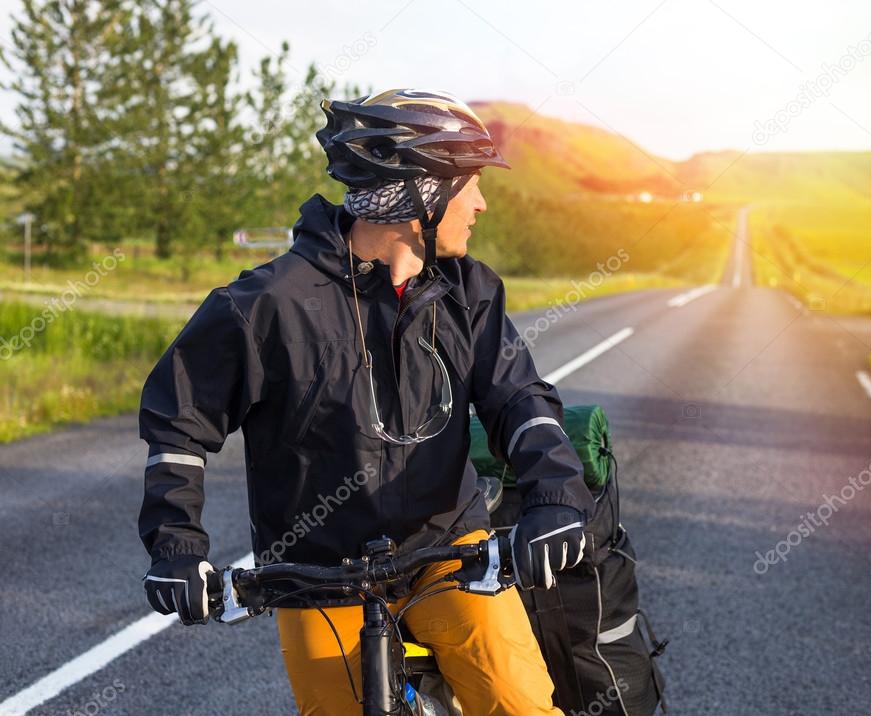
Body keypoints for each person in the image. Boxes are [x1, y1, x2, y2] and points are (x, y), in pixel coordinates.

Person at [137, 88, 595, 715]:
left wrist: (553, 498)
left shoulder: (471, 293)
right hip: (316, 569)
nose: (482, 203)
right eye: (469, 185)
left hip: (449, 551)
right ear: (419, 195)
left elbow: (519, 401)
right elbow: (178, 426)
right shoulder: (264, 306)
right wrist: (176, 546)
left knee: (518, 704)